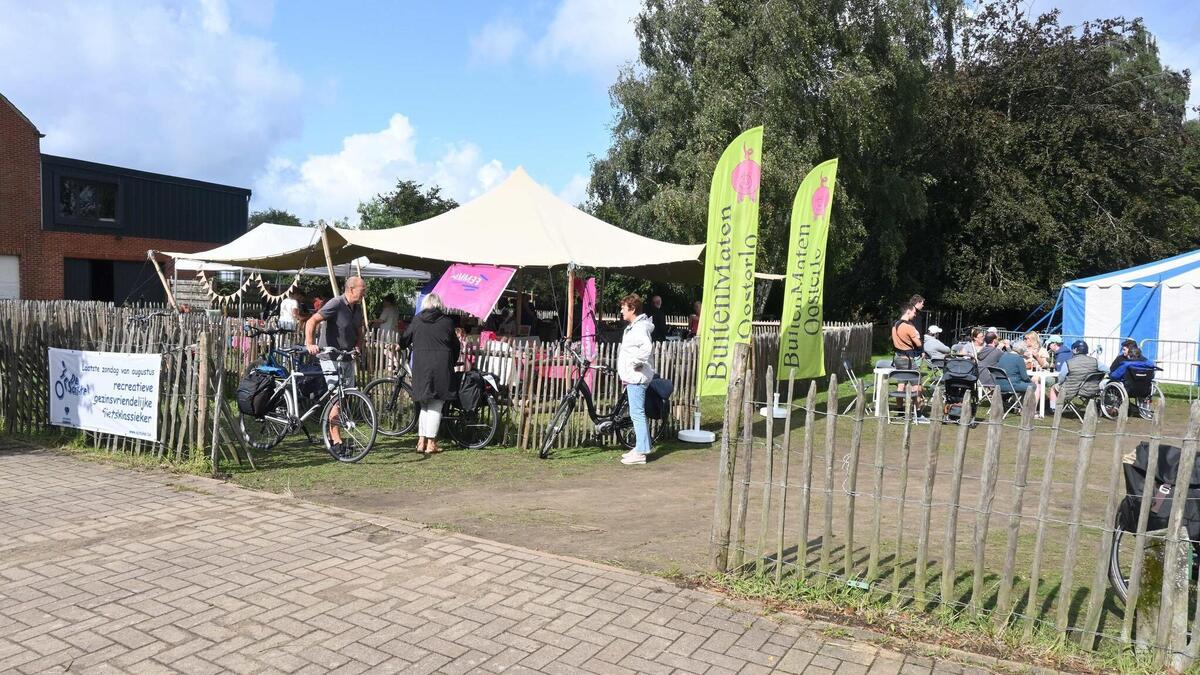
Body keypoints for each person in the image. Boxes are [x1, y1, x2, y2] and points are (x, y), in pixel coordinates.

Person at [305, 277, 366, 459]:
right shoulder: (335, 304)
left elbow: (359, 331)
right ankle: (336, 440)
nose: (364, 294)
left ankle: (334, 433)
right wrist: (310, 343)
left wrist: (358, 346)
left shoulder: (356, 308)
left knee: (345, 396)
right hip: (330, 357)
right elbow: (312, 321)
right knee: (337, 398)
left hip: (346, 357)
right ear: (351, 289)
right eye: (362, 290)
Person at [400, 293, 459, 455]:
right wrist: (451, 362)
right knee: (435, 405)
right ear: (439, 305)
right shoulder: (447, 322)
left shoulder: (417, 320)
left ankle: (421, 442)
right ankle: (431, 443)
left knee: (424, 404)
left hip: (421, 366)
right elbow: (456, 346)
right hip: (441, 367)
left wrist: (403, 345)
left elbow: (404, 339)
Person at [617, 294, 655, 465]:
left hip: (637, 377)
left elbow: (647, 348)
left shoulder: (639, 328)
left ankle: (641, 453)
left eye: (623, 308)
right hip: (633, 376)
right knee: (636, 414)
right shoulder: (634, 326)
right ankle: (641, 447)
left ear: (632, 309)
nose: (621, 311)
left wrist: (635, 363)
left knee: (637, 414)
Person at [1050, 340, 1101, 412]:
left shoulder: (1068, 363)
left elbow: (1061, 377)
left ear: (1076, 350)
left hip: (1071, 390)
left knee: (1053, 387)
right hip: (1090, 390)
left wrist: (1060, 383)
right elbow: (1107, 370)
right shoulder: (1095, 361)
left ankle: (1053, 409)